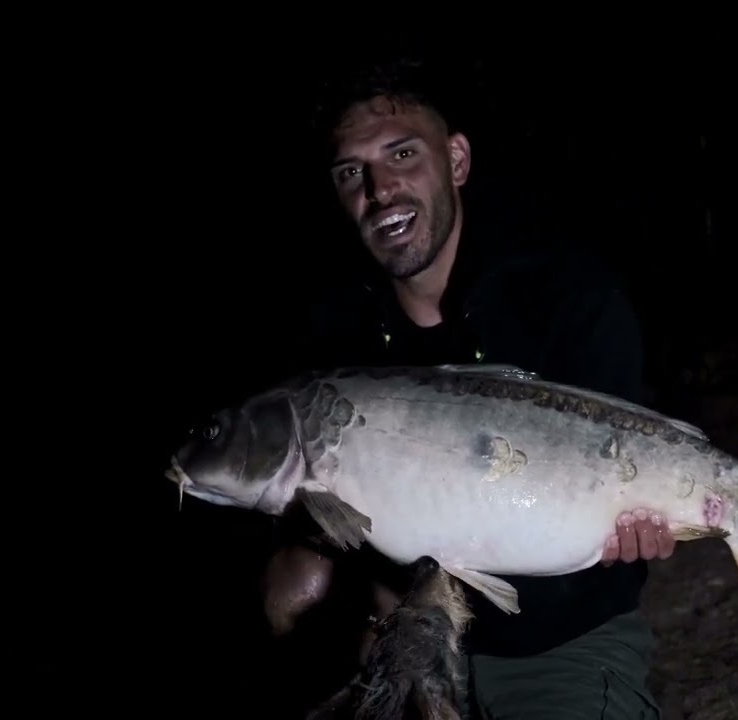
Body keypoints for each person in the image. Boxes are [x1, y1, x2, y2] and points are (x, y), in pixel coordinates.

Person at [268, 55, 676, 718]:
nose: (380, 188)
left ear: (456, 161)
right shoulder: (336, 341)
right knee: (293, 584)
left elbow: (629, 478)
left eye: (402, 154)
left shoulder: (567, 296)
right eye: (353, 172)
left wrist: (639, 522)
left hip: (556, 640)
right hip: (398, 638)